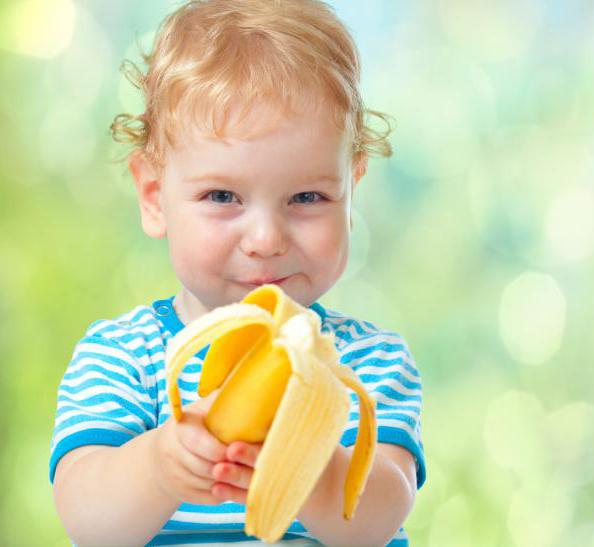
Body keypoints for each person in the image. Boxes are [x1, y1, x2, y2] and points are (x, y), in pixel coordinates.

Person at [49, 1, 426, 545]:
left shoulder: (365, 364)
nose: (267, 240)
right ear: (155, 197)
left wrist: (306, 462)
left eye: (307, 197)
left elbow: (376, 522)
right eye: (222, 196)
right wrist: (158, 466)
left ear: (351, 192)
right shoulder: (122, 356)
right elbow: (89, 522)